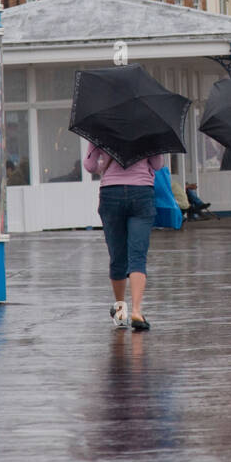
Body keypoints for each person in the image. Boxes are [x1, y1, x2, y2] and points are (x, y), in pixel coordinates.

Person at [83, 142, 161, 331]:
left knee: (117, 256)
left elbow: (89, 166)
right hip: (142, 192)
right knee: (137, 256)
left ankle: (120, 311)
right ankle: (136, 310)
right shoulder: (148, 126)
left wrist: (104, 164)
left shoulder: (101, 127)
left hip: (111, 193)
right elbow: (157, 164)